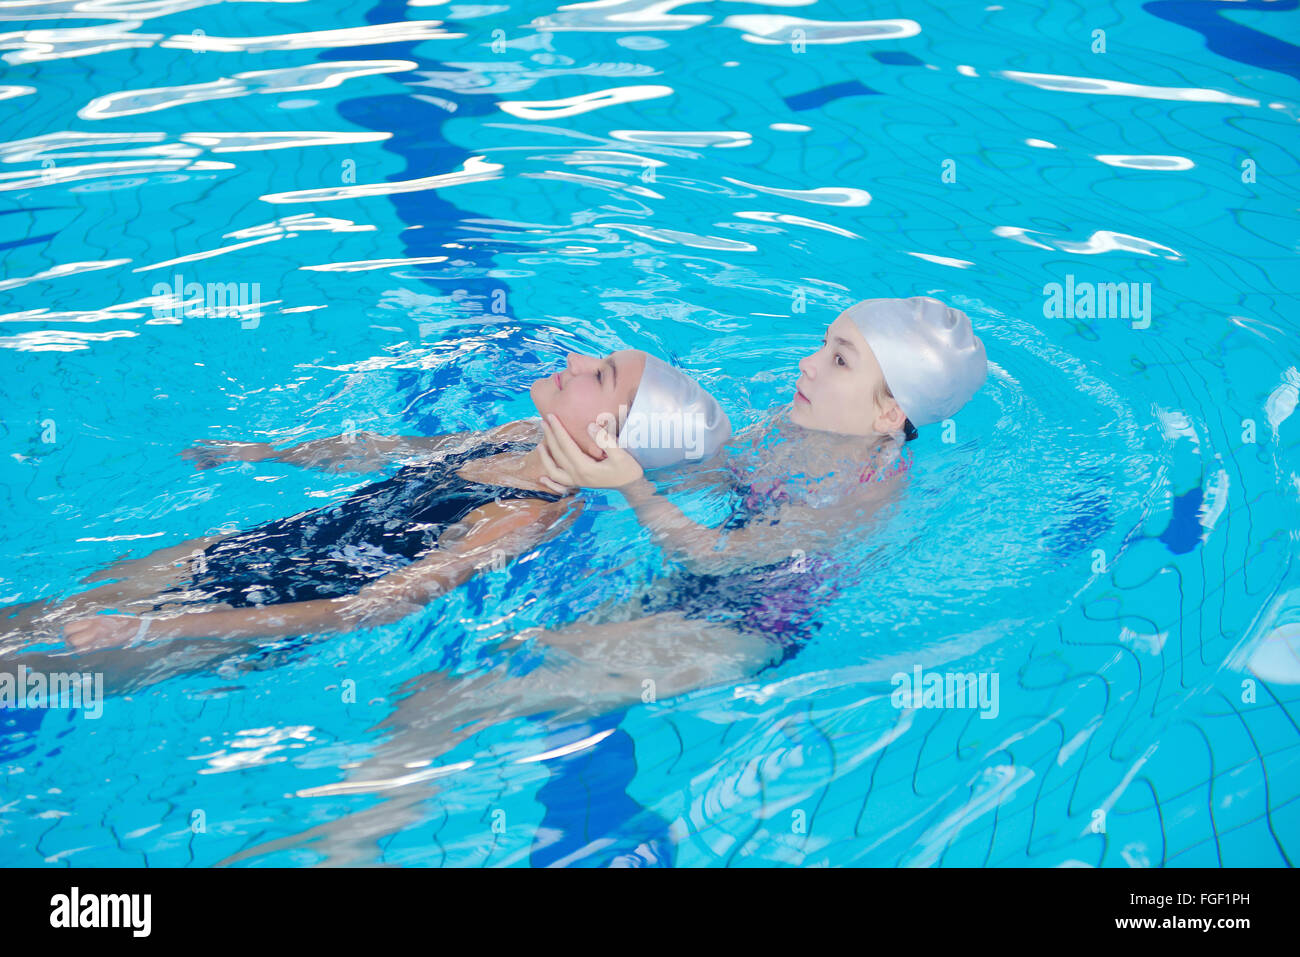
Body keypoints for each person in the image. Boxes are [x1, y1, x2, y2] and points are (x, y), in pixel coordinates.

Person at [0, 349, 731, 654]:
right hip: (263, 545)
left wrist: (156, 632)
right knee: (29, 619)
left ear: (605, 437)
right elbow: (390, 450)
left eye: (599, 374)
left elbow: (378, 605)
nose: (574, 361)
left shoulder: (527, 513)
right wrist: (269, 453)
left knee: (40, 665)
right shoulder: (516, 435)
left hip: (266, 603)